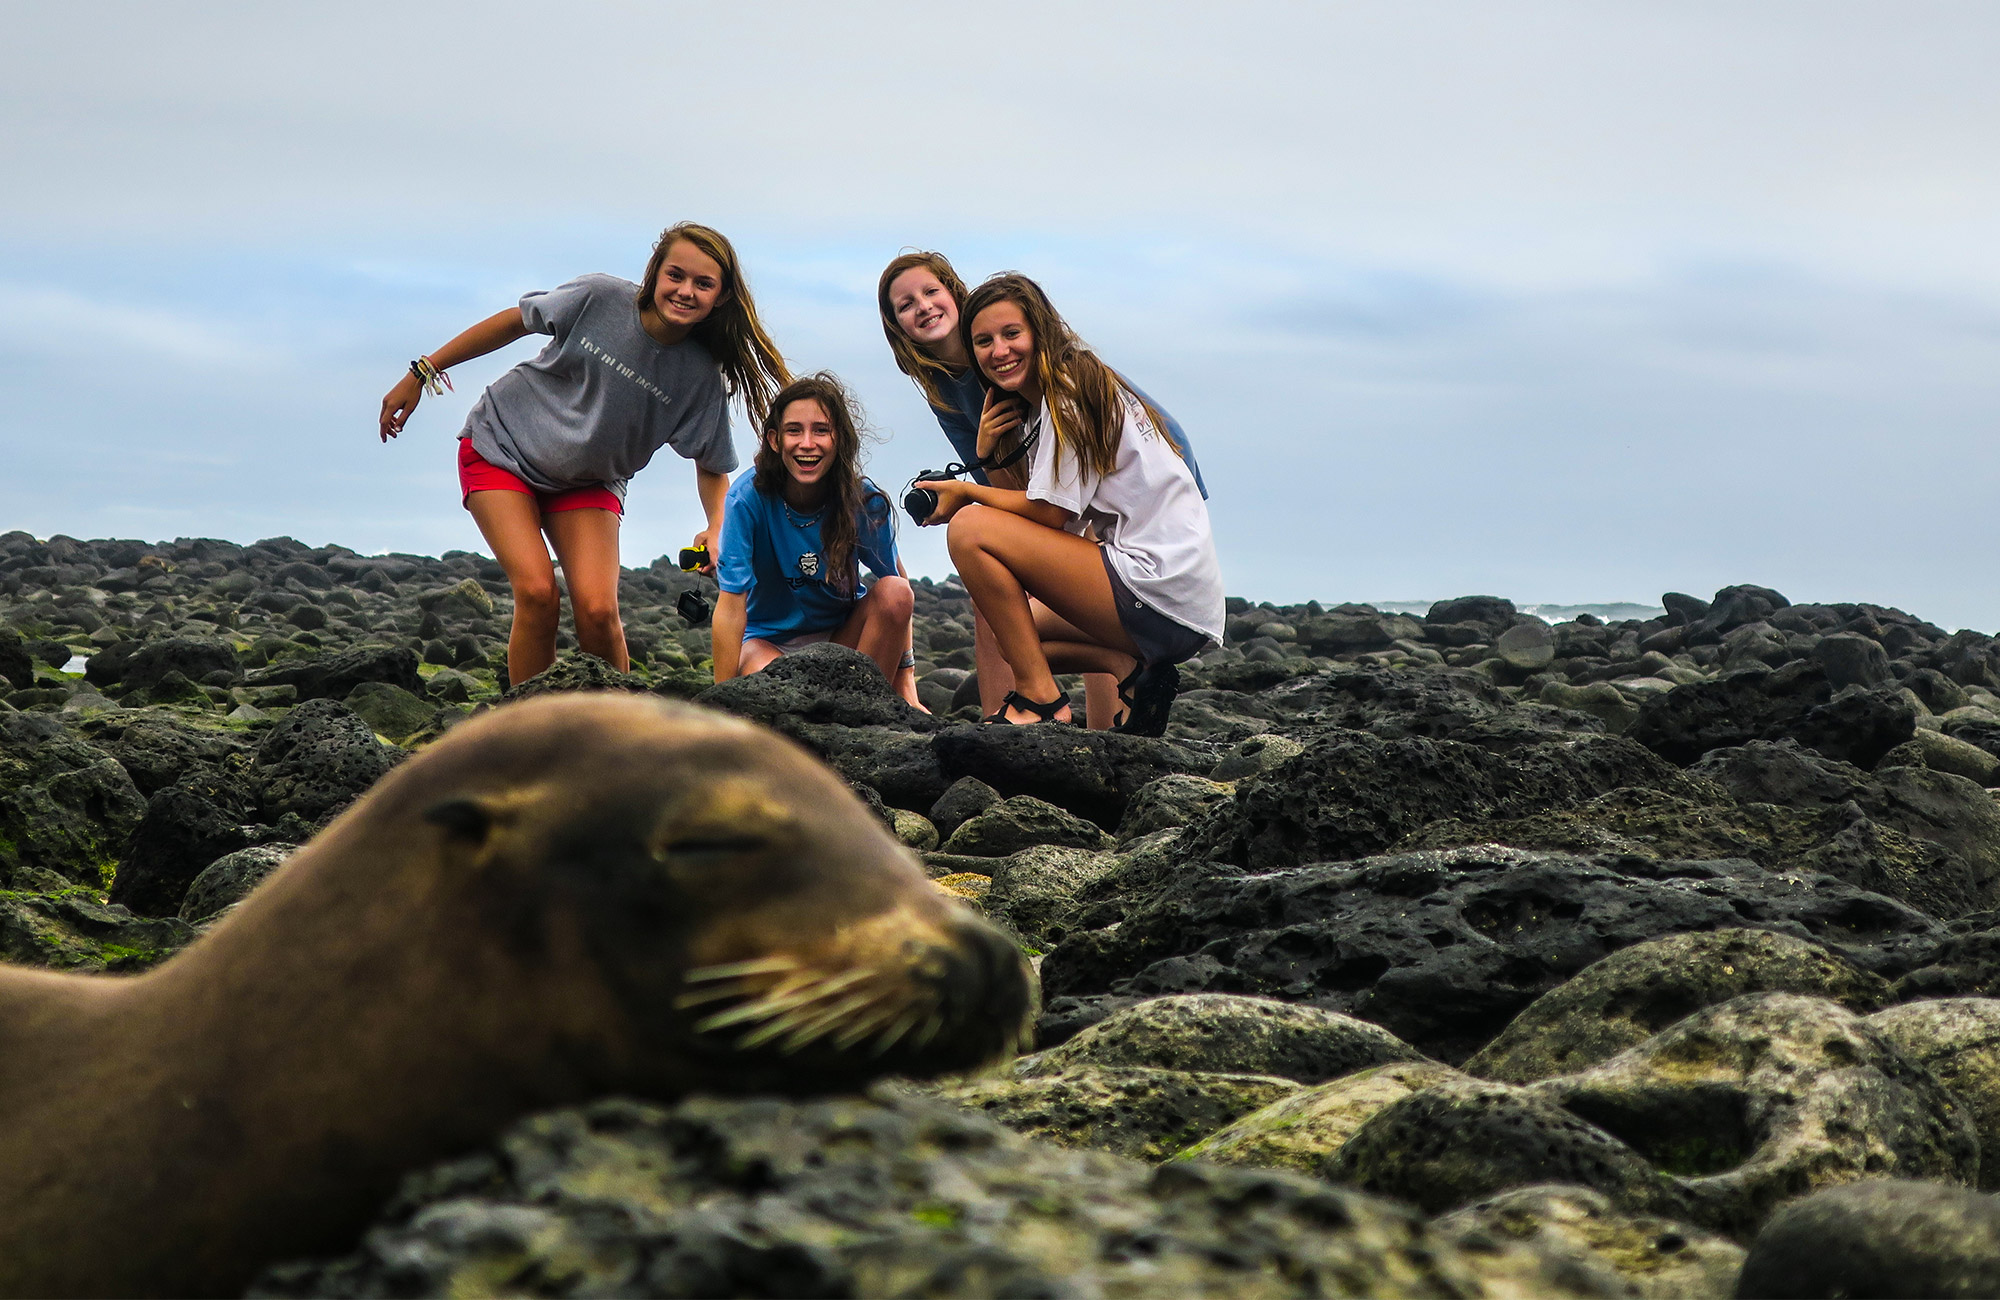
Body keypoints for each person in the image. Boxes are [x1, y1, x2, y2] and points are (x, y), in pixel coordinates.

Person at [379, 221, 788, 687]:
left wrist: (718, 527)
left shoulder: (700, 375)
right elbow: (516, 321)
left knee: (597, 611)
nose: (685, 291)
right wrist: (423, 370)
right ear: (655, 272)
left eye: (703, 284)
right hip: (503, 447)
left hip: (591, 479)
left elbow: (711, 464)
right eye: (676, 275)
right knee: (536, 591)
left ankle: (617, 736)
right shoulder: (599, 297)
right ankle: (529, 733)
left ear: (721, 297)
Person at [877, 251, 1207, 727]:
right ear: (896, 326)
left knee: (989, 542)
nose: (923, 306)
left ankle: (1079, 719)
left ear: (956, 293)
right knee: (1000, 608)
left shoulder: (1041, 374)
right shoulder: (945, 387)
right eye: (905, 304)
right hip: (1095, 512)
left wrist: (965, 494)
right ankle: (1019, 714)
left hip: (1144, 504)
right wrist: (985, 459)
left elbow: (1050, 508)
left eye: (931, 291)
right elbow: (1017, 491)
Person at [711, 372, 926, 708]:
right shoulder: (746, 499)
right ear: (774, 439)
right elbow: (730, 605)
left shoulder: (862, 501)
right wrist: (720, 704)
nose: (807, 443)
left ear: (838, 438)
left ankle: (867, 715)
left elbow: (896, 585)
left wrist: (906, 680)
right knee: (778, 690)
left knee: (896, 592)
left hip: (843, 637)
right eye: (794, 430)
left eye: (821, 430)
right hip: (769, 641)